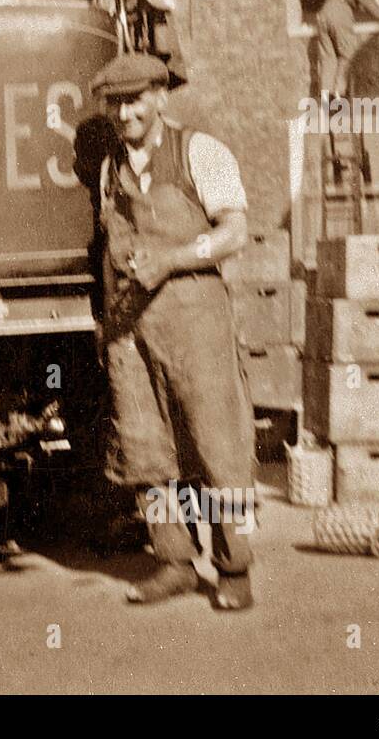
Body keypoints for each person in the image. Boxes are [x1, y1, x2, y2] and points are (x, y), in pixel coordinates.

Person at [78, 52, 257, 610]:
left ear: (160, 96)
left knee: (213, 444)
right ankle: (174, 560)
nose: (125, 112)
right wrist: (108, 327)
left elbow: (235, 232)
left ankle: (234, 568)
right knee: (145, 450)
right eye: (115, 103)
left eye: (135, 100)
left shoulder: (200, 152)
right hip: (132, 328)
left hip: (194, 317)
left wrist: (174, 258)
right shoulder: (110, 169)